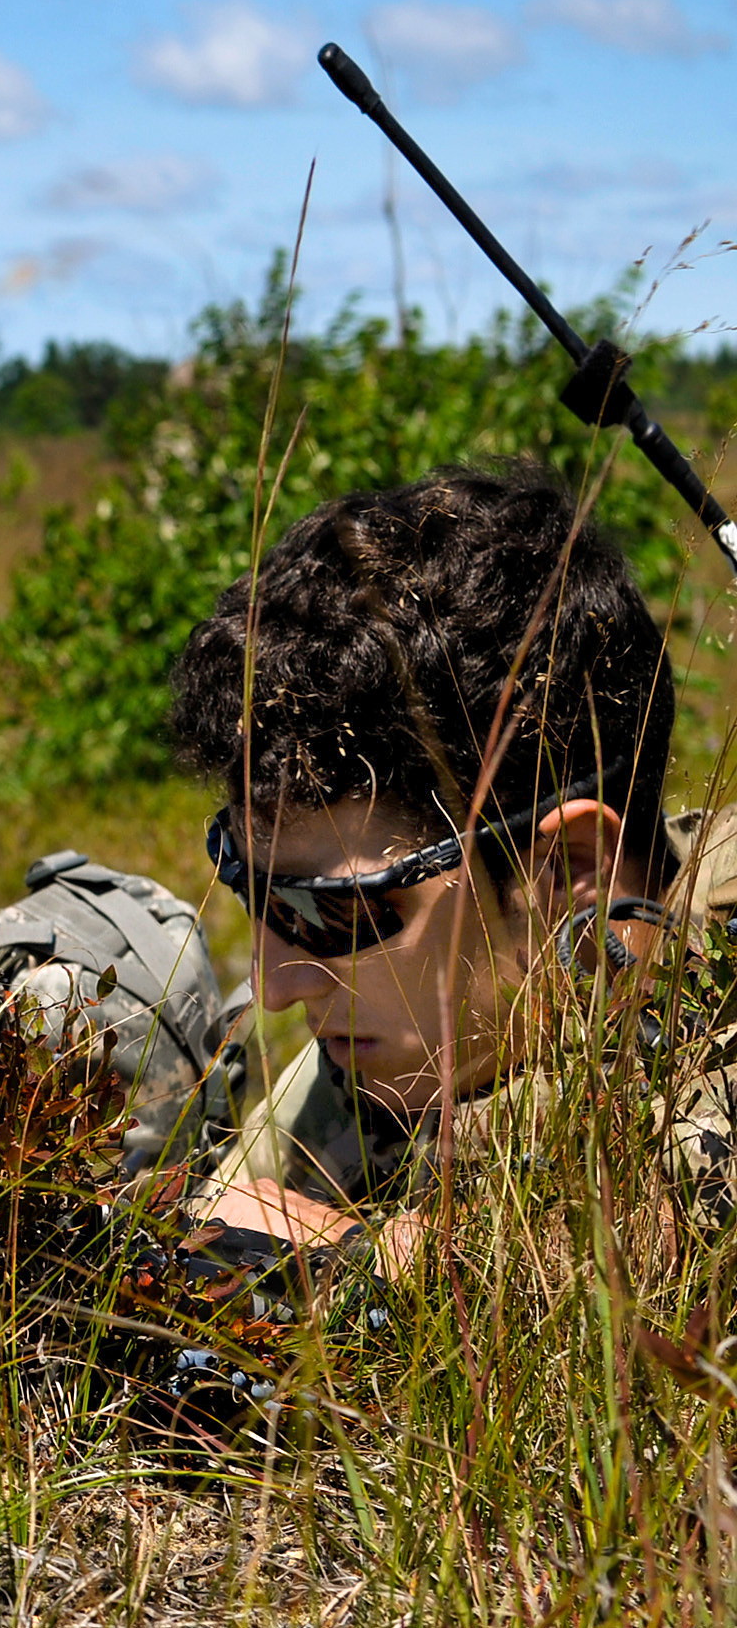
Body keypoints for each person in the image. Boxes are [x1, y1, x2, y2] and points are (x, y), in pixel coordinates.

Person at [167, 466, 737, 1261]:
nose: (274, 981)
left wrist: (349, 1279)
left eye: (334, 910)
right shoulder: (401, 1036)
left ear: (567, 870)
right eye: (249, 886)